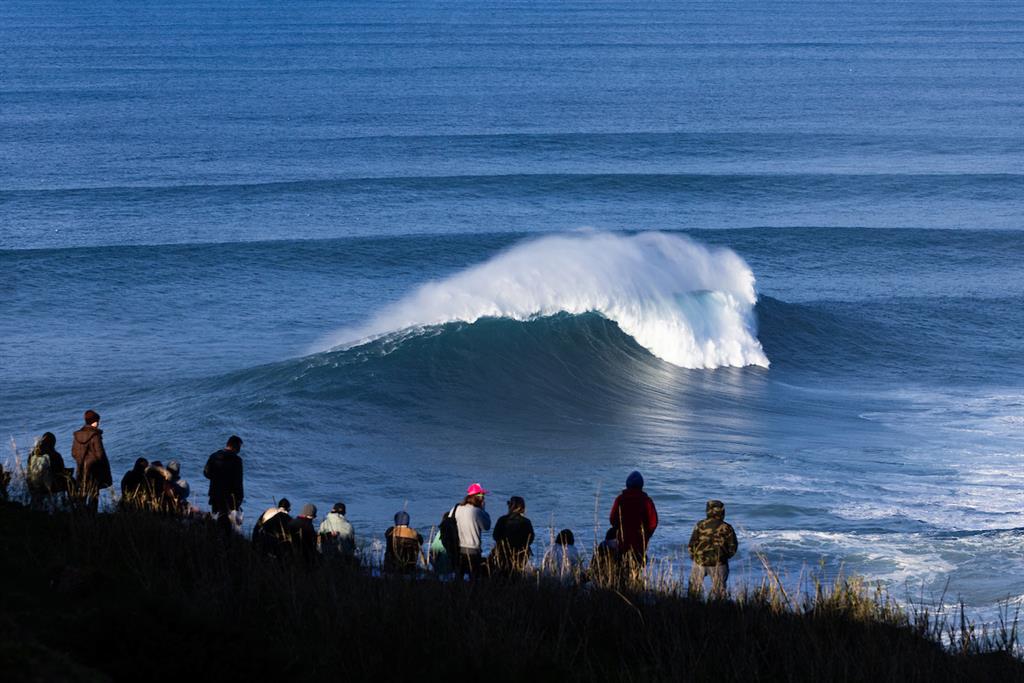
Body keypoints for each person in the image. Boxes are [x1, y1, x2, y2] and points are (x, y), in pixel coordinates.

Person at [687, 499, 739, 599]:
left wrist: (695, 557)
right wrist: (724, 557)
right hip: (719, 563)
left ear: (708, 511)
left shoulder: (700, 525)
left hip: (700, 562)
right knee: (719, 592)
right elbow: (733, 547)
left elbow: (691, 545)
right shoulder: (727, 527)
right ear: (722, 512)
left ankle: (691, 609)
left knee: (693, 590)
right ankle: (717, 611)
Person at [608, 470, 658, 565]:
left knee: (622, 567)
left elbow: (612, 519)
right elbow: (654, 522)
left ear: (627, 484)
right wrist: (646, 535)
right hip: (640, 542)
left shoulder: (620, 499)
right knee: (637, 568)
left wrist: (619, 529)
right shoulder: (647, 501)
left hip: (622, 542)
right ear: (641, 485)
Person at [71, 410, 113, 513]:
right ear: (94, 421)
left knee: (83, 492)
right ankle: (92, 515)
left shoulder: (77, 435)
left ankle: (80, 514)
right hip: (94, 469)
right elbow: (100, 454)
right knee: (94, 493)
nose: (98, 423)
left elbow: (73, 453)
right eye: (98, 421)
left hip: (81, 469)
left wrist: (81, 460)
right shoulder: (95, 435)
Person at [203, 435, 244, 531]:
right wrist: (240, 498)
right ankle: (225, 542)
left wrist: (216, 477)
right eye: (239, 448)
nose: (239, 451)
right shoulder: (237, 461)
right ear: (235, 447)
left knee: (216, 517)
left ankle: (213, 537)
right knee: (228, 523)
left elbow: (206, 473)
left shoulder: (213, 456)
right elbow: (239, 482)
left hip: (215, 494)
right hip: (230, 497)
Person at [453, 483, 491, 579]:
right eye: (482, 496)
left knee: (458, 578)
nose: (483, 498)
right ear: (477, 497)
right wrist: (483, 510)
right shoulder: (477, 511)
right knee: (474, 579)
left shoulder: (456, 508)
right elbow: (486, 526)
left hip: (458, 548)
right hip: (473, 550)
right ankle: (472, 593)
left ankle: (455, 593)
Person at [489, 496, 535, 576]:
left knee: (503, 573)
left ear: (510, 506)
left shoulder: (502, 520)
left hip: (502, 552)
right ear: (522, 507)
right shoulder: (526, 522)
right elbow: (530, 539)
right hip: (521, 553)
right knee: (517, 574)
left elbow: (495, 536)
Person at [27, 432, 70, 507]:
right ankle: (65, 505)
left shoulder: (32, 454)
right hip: (49, 486)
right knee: (69, 481)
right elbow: (60, 471)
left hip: (32, 485)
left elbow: (29, 468)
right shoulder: (55, 455)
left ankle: (35, 505)